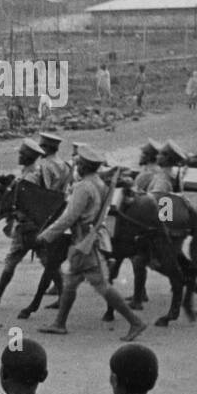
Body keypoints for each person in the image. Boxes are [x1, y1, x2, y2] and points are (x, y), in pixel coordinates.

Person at [37, 146, 146, 341]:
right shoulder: (99, 183)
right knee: (70, 283)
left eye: (78, 163)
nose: (76, 166)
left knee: (102, 286)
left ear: (85, 166)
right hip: (86, 240)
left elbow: (69, 218)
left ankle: (135, 322)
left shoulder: (83, 187)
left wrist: (46, 235)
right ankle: (59, 323)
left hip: (84, 242)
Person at [0, 138, 51, 307]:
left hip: (27, 226)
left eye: (21, 154)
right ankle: (63, 292)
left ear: (28, 157)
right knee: (46, 261)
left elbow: (25, 204)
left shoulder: (30, 177)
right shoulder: (27, 172)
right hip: (32, 226)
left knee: (14, 260)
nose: (18, 156)